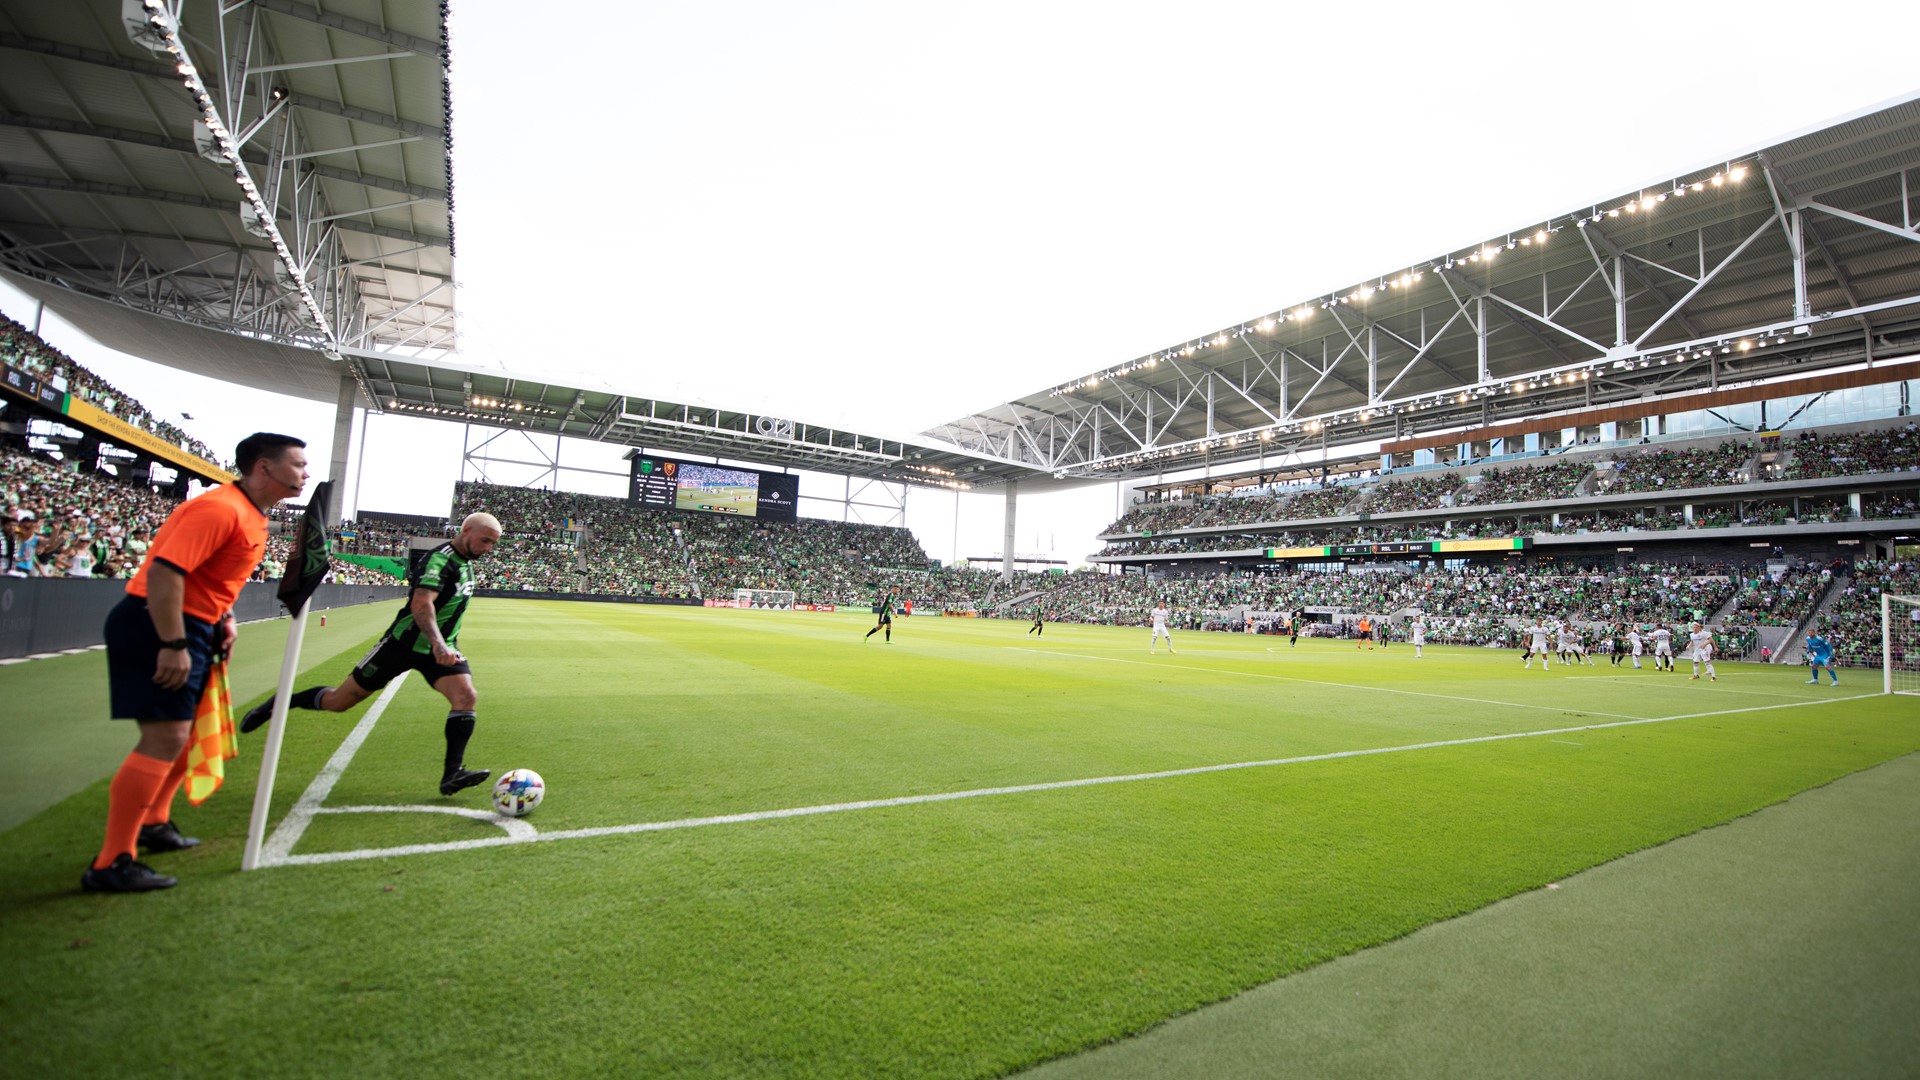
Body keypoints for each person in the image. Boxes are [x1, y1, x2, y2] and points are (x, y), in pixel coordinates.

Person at [83, 432, 309, 893]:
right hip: (159, 624)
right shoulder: (218, 508)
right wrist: (174, 642)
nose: (306, 473)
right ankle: (112, 862)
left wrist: (222, 617)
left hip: (196, 624)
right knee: (166, 736)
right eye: (298, 464)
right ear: (264, 467)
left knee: (183, 736)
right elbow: (166, 573)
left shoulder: (252, 514)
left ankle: (154, 823)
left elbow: (209, 575)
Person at [241, 513, 503, 798]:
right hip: (401, 645)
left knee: (466, 696)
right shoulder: (439, 559)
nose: (489, 548)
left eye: (493, 543)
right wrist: (438, 644)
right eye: (485, 540)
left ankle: (452, 774)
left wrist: (443, 645)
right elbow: (421, 603)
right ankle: (281, 702)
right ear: (466, 530)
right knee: (338, 702)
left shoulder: (466, 565)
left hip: (441, 650)